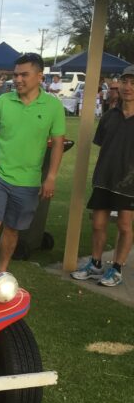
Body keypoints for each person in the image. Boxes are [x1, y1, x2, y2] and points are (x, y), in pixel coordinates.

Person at [0, 53, 66, 281]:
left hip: (28, 181)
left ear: (40, 76)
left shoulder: (53, 106)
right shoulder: (3, 101)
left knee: (12, 228)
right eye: (16, 75)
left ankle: (2, 270)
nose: (17, 79)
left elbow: (58, 143)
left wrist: (51, 177)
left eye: (24, 75)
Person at [71, 65, 134, 288]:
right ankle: (95, 264)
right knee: (98, 224)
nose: (128, 87)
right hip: (104, 178)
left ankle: (116, 268)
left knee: (125, 226)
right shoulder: (109, 116)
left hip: (129, 183)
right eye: (125, 82)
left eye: (133, 83)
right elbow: (102, 146)